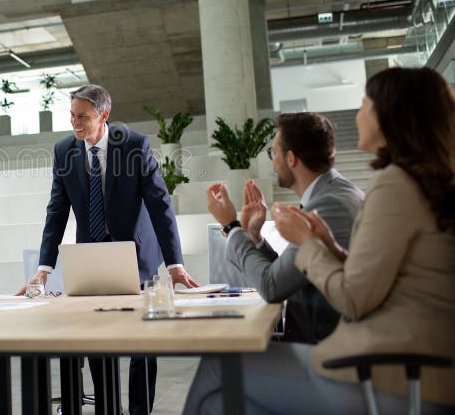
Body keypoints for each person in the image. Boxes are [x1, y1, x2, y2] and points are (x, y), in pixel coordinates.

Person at [186, 67, 455, 414]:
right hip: (407, 368)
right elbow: (370, 279)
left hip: (385, 374)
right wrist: (325, 244)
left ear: (390, 115)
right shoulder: (415, 183)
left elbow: (352, 298)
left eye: (364, 105)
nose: (357, 116)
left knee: (218, 368)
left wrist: (234, 227)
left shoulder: (394, 187)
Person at [21, 84, 199, 415]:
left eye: (83, 116)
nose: (75, 122)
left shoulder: (133, 145)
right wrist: (44, 270)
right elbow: (57, 211)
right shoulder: (64, 151)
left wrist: (175, 264)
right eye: (72, 115)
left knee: (142, 341)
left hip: (135, 255)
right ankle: (108, 408)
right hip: (92, 259)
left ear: (104, 116)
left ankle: (139, 410)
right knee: (94, 337)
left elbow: (159, 205)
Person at [207, 112, 363, 343]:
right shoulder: (333, 194)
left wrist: (231, 227)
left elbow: (272, 287)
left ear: (291, 158)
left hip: (322, 350)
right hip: (317, 336)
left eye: (274, 152)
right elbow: (289, 274)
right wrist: (254, 236)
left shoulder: (328, 206)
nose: (273, 160)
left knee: (223, 352)